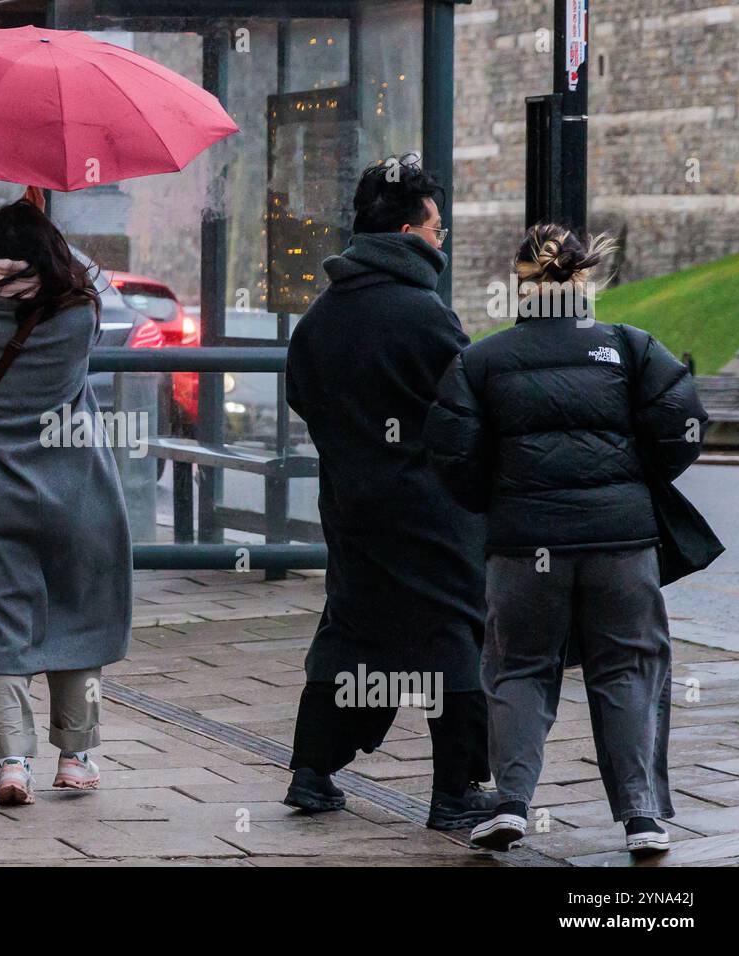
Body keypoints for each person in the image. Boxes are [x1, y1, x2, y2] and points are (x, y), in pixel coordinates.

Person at [424, 223, 707, 856]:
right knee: (628, 668)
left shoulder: (483, 360)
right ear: (587, 284)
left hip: (525, 547)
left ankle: (511, 804)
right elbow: (683, 424)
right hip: (621, 544)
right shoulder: (630, 348)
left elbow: (450, 449)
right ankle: (641, 817)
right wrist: (632, 481)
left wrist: (496, 502)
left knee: (518, 667)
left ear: (520, 287)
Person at [282, 159, 498, 831]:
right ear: (408, 231)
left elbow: (303, 397)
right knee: (453, 633)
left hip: (351, 505)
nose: (442, 240)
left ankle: (313, 773)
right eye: (437, 227)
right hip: (431, 510)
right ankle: (457, 791)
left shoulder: (321, 317)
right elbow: (469, 405)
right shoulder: (424, 314)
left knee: (353, 628)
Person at [0, 198, 132, 807]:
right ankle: (75, 759)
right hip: (79, 496)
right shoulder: (79, 319)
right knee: (80, 617)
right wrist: (52, 242)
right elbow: (82, 284)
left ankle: (13, 765)